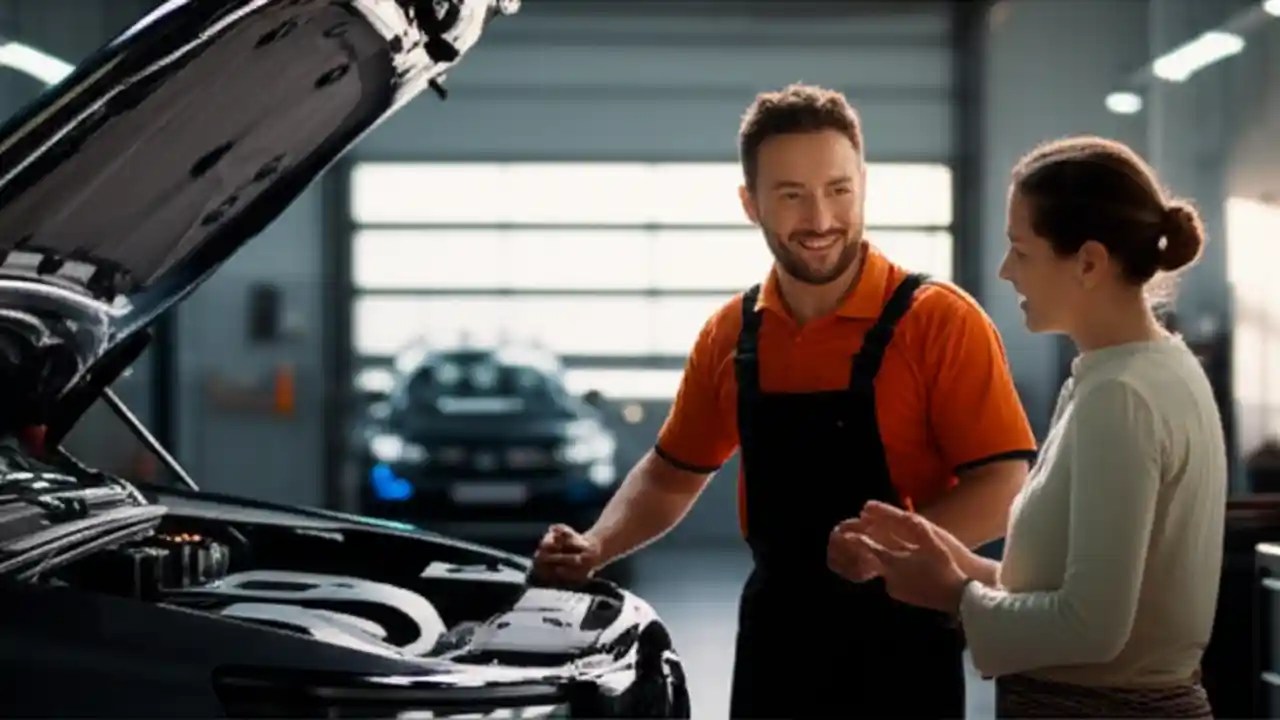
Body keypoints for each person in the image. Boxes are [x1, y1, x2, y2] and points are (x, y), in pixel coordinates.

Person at [531, 83, 1038, 718]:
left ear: (863, 185)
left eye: (838, 190)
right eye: (792, 195)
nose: (821, 219)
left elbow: (1003, 484)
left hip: (904, 643)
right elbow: (669, 474)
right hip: (776, 642)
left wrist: (888, 550)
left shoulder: (939, 321)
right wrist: (596, 545)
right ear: (751, 203)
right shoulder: (731, 334)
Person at [840, 135, 1226, 719]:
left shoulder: (1120, 396)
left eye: (1021, 252)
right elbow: (1069, 593)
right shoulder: (1137, 371)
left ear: (1088, 263)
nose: (1006, 271)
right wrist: (951, 562)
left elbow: (1091, 629)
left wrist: (952, 594)